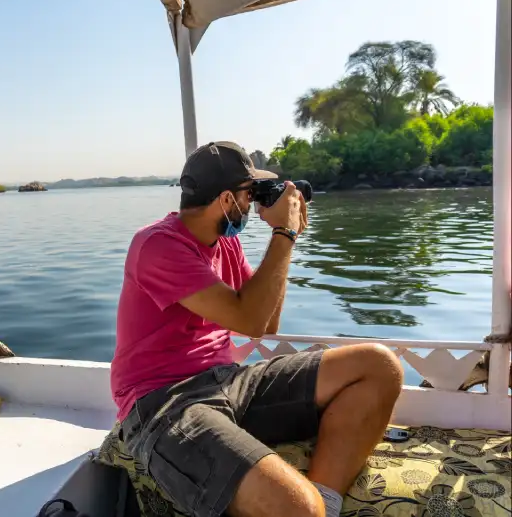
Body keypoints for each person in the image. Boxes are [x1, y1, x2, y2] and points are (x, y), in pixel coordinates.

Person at [110, 141, 403, 517]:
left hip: (227, 381)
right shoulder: (157, 246)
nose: (254, 204)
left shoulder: (224, 244)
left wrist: (284, 236)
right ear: (227, 200)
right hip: (163, 401)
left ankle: (326, 502)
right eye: (251, 194)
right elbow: (249, 319)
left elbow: (264, 324)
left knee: (379, 365)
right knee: (299, 509)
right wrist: (284, 234)